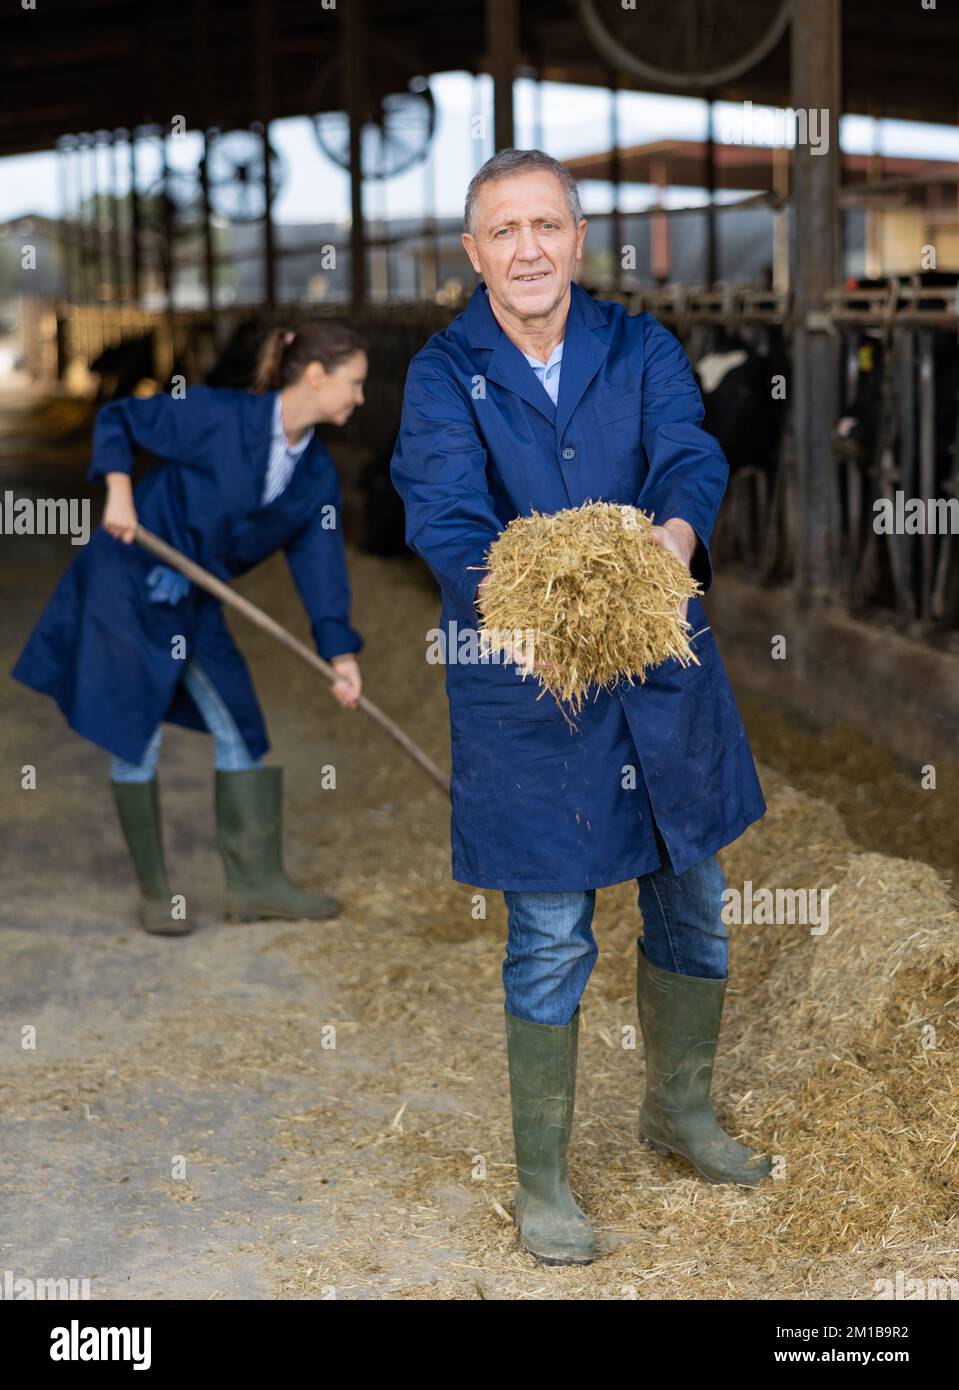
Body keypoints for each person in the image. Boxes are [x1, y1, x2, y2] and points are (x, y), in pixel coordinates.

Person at [390, 149, 770, 1267]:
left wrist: (669, 539)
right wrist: (526, 597)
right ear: (473, 253)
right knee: (552, 936)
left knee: (691, 904)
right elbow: (445, 517)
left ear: (575, 238)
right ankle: (541, 1179)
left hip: (659, 666)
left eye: (544, 225)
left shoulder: (639, 346)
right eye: (502, 230)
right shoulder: (440, 372)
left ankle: (678, 1112)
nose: (526, 249)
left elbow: (689, 456)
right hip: (528, 689)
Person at [13, 320, 367, 937]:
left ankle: (255, 885)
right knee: (135, 729)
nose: (360, 397)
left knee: (242, 726)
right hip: (128, 582)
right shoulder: (217, 416)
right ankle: (155, 892)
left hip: (194, 598)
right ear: (315, 374)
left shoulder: (314, 478)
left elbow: (321, 569)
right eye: (355, 383)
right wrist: (119, 493)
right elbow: (120, 418)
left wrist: (340, 653)